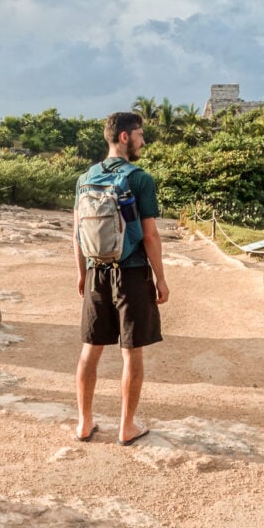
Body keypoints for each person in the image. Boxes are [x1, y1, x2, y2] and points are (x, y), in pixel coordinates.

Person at [73, 111, 169, 446]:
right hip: (129, 274)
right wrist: (160, 278)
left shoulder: (85, 178)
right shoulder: (140, 178)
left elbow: (76, 234)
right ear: (125, 137)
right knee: (132, 353)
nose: (144, 140)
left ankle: (84, 424)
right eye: (140, 134)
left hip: (96, 271)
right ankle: (126, 427)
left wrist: (82, 273)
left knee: (91, 350)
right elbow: (151, 235)